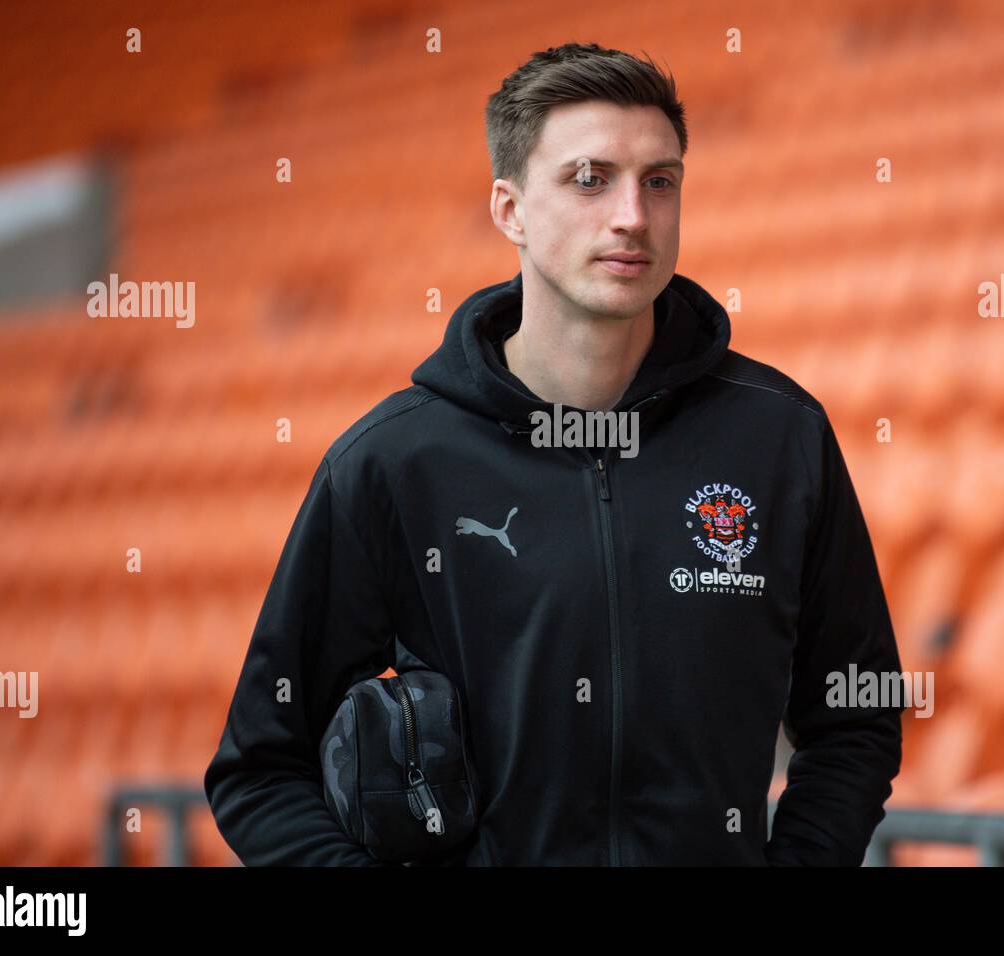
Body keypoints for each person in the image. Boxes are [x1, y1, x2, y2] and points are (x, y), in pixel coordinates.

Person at [204, 41, 904, 866]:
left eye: (660, 181)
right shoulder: (395, 463)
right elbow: (260, 768)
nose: (632, 218)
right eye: (589, 178)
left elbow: (858, 715)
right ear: (510, 211)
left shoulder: (780, 436)